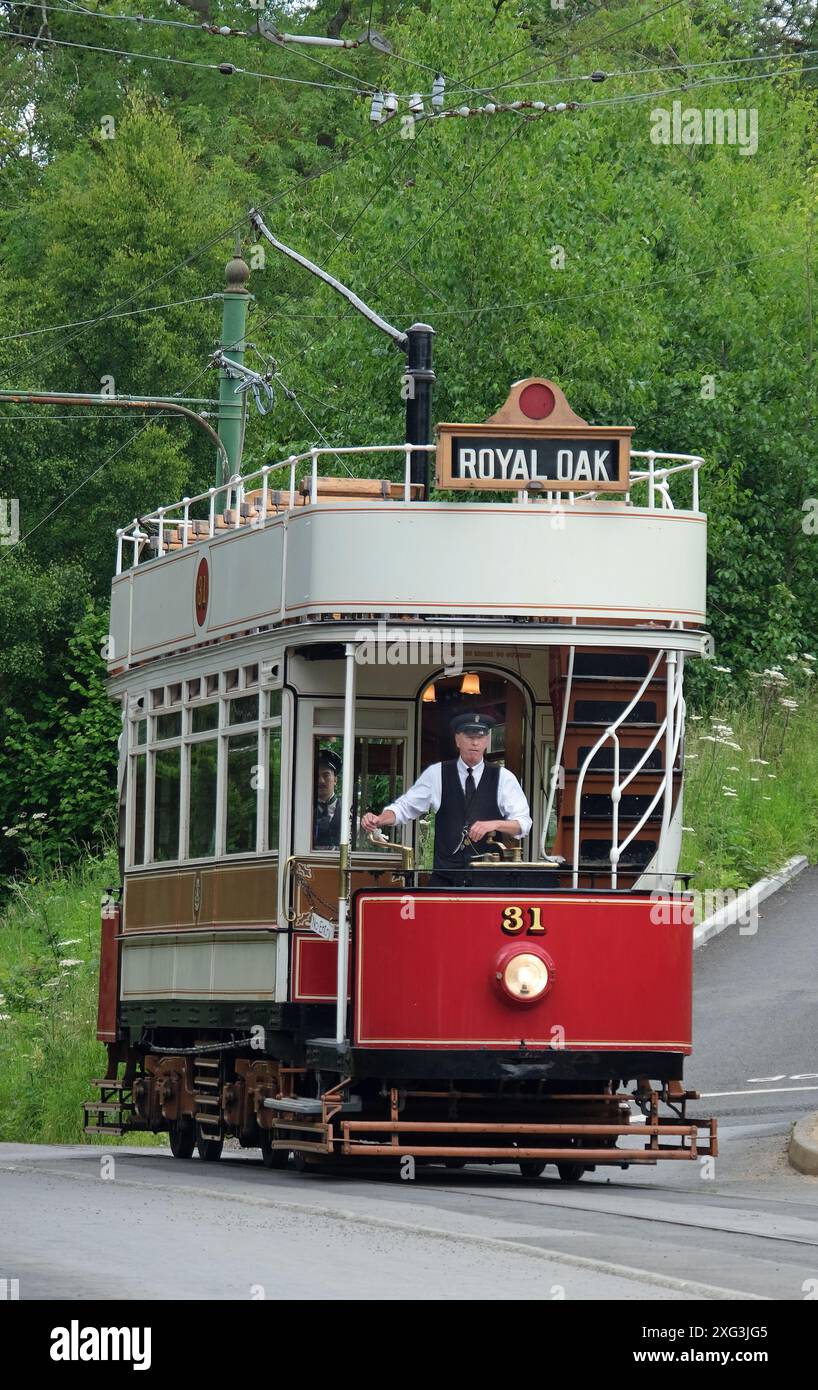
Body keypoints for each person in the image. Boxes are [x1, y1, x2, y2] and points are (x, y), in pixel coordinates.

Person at [361, 712, 531, 884]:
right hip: (445, 877)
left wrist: (494, 824)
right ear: (457, 740)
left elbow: (523, 824)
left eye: (480, 737)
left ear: (486, 741)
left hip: (488, 881)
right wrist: (379, 819)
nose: (475, 742)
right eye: (469, 736)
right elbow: (405, 807)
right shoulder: (437, 774)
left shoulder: (503, 777)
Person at [313, 748, 343, 848]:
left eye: (326, 775)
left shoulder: (348, 810)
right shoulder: (303, 810)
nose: (321, 781)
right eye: (316, 776)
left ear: (335, 779)